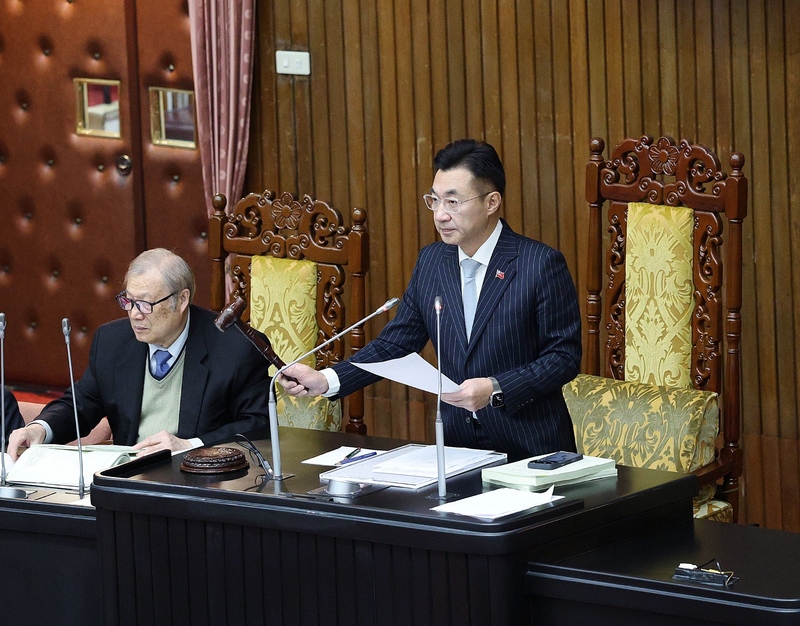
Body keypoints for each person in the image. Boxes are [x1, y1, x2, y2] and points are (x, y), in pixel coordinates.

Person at [279, 139, 581, 460]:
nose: (440, 215)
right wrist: (327, 379)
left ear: (491, 202)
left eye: (453, 202)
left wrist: (495, 388)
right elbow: (395, 345)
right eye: (434, 200)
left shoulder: (539, 263)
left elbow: (563, 357)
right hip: (456, 448)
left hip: (532, 449)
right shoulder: (433, 261)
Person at [7, 248, 270, 459]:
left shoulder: (235, 348)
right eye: (128, 301)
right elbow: (81, 404)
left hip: (201, 482)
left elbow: (259, 424)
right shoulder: (112, 341)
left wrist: (190, 445)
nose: (134, 314)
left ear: (181, 300)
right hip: (128, 481)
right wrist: (39, 428)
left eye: (145, 304)